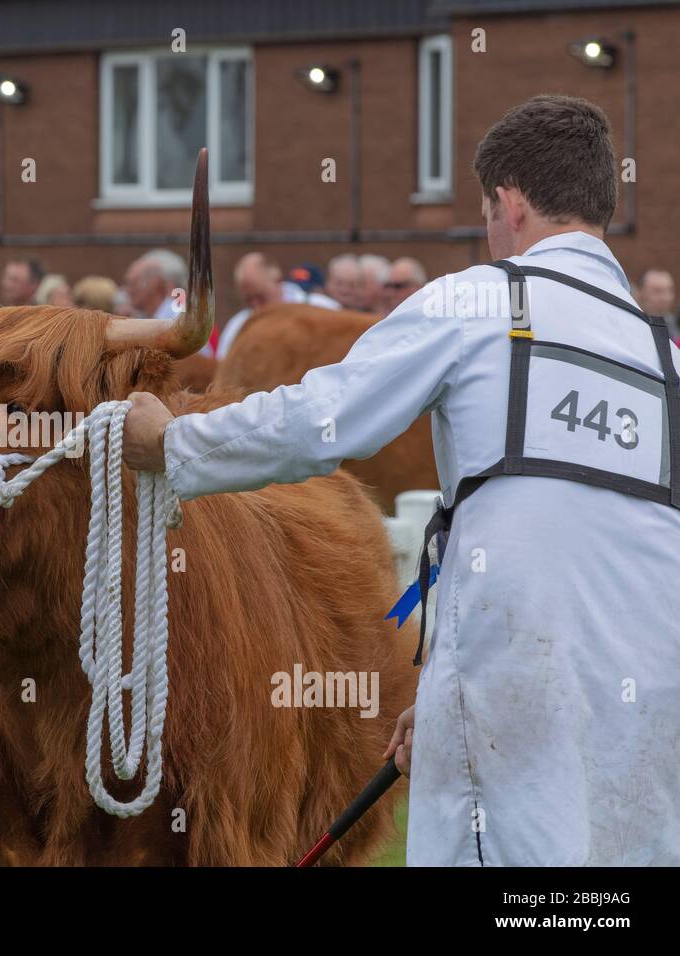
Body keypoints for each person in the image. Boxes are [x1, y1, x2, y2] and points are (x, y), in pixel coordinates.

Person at [122, 94, 680, 866]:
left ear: (509, 203)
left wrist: (173, 441)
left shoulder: (478, 299)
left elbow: (322, 420)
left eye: (487, 213)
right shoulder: (665, 359)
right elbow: (539, 521)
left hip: (518, 685)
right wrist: (445, 685)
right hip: (651, 702)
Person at [218, 252, 338, 358]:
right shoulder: (237, 326)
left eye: (260, 297)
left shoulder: (321, 308)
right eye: (248, 300)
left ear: (277, 281)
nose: (256, 305)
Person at [122, 249, 186, 319]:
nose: (127, 290)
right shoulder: (144, 317)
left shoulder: (177, 322)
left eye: (133, 284)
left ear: (154, 283)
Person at [635, 268, 677, 339]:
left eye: (670, 290)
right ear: (640, 293)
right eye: (657, 291)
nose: (666, 298)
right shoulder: (630, 324)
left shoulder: (672, 324)